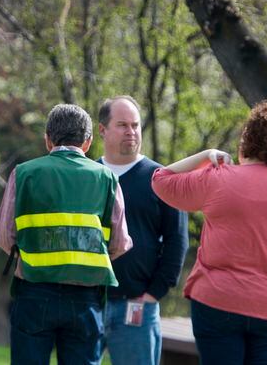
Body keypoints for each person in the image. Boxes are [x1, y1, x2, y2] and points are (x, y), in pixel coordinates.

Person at [151, 101, 267, 365]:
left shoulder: (217, 177)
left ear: (246, 140)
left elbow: (160, 180)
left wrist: (205, 155)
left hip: (217, 301)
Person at [0, 103, 133, 365]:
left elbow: (4, 236)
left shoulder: (23, 173)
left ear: (48, 139)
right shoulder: (107, 178)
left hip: (34, 291)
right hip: (86, 298)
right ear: (88, 142)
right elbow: (120, 243)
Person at [96, 96, 189, 365]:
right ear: (102, 130)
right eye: (122, 125)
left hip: (137, 305)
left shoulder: (160, 179)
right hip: (88, 304)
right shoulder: (88, 175)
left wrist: (153, 293)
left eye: (135, 125)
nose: (131, 132)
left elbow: (177, 240)